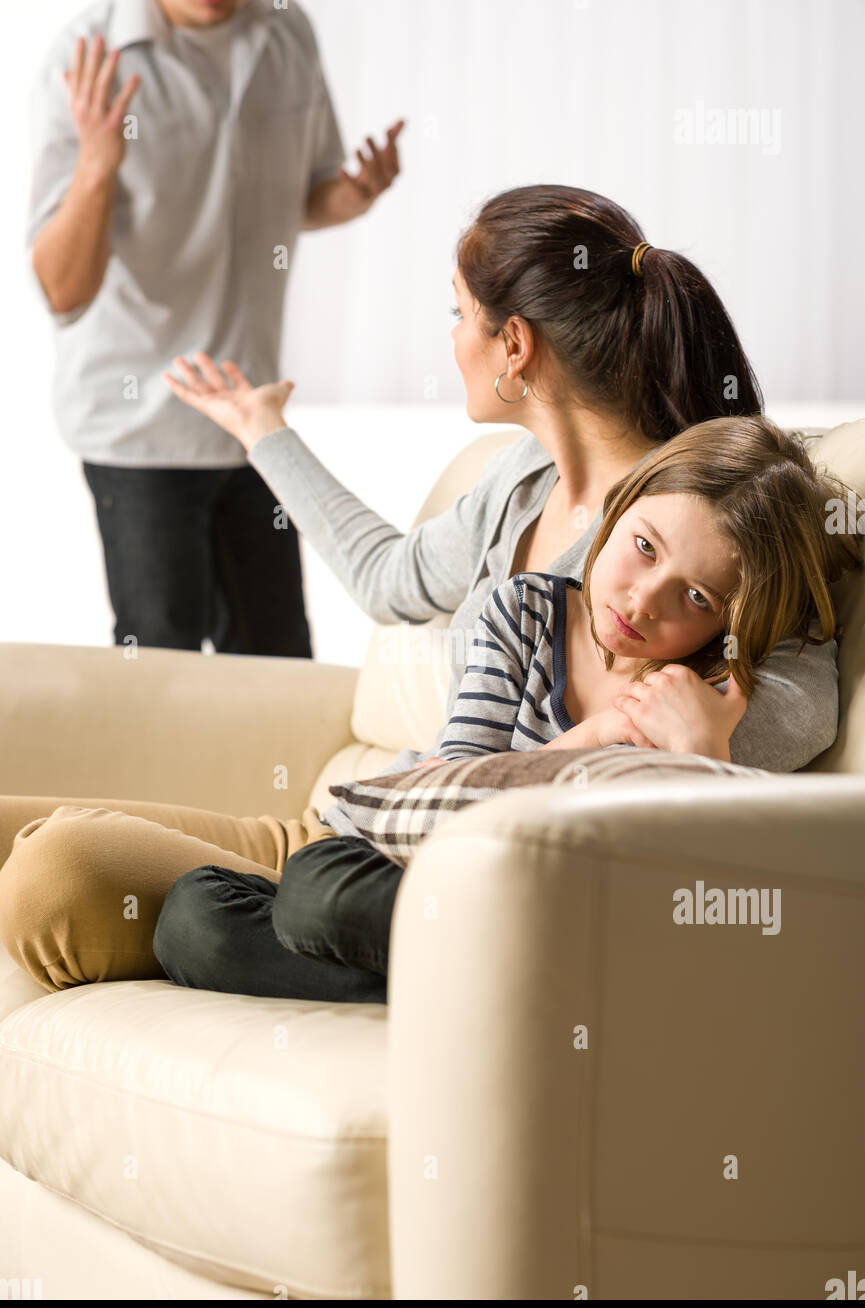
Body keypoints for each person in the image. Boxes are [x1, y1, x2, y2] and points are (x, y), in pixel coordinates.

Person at [0, 186, 845, 998]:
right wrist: (264, 431)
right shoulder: (518, 483)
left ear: (513, 345)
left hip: (444, 868)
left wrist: (672, 740)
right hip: (356, 828)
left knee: (58, 875)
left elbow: (782, 704)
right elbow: (386, 578)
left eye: (456, 314)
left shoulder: (710, 522)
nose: (449, 339)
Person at [150, 414, 862, 992]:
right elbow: (453, 779)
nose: (643, 602)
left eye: (696, 597)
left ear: (730, 620)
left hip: (576, 908)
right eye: (643, 547)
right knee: (200, 913)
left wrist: (704, 754)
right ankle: (482, 985)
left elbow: (708, 870)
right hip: (449, 878)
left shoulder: (718, 698)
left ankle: (489, 977)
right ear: (617, 509)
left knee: (317, 894)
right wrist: (597, 734)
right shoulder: (523, 612)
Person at [26, 0, 404, 655]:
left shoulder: (287, 30)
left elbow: (302, 194)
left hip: (249, 419)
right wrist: (95, 167)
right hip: (141, 429)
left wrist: (352, 195)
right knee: (163, 666)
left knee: (277, 656)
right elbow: (63, 289)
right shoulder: (86, 57)